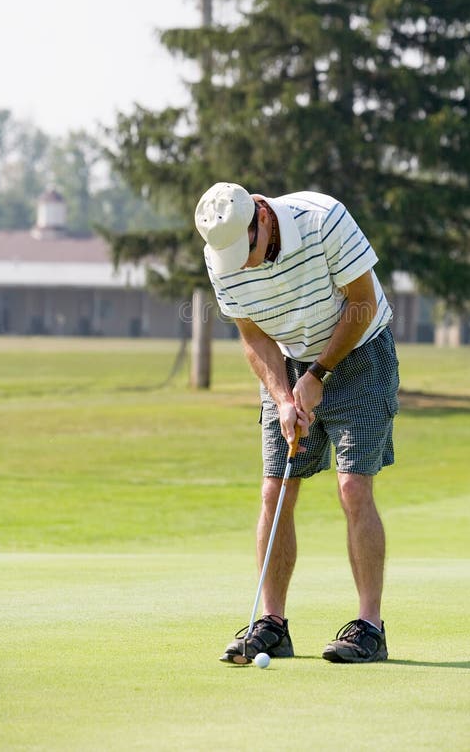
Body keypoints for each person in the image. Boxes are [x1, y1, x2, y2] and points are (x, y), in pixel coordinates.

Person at [194, 182, 400, 664]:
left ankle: (370, 626)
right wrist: (285, 396)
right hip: (288, 363)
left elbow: (362, 302)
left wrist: (319, 374)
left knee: (353, 487)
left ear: (261, 219)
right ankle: (272, 623)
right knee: (276, 489)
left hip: (362, 355)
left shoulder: (322, 219)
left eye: (244, 252)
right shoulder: (222, 252)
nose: (239, 266)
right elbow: (253, 335)